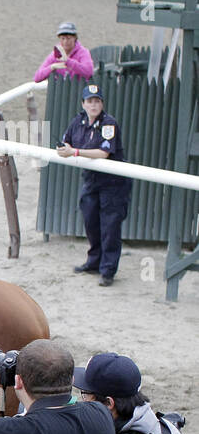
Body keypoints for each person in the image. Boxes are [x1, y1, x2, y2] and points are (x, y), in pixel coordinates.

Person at [56, 83, 128, 287]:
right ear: (83, 104)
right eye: (90, 101)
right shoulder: (77, 121)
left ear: (102, 104)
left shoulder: (109, 123)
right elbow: (66, 143)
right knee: (90, 222)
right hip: (91, 179)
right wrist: (65, 149)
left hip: (113, 182)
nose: (93, 105)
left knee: (110, 227)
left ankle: (107, 271)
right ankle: (94, 262)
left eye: (97, 101)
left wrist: (75, 152)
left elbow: (103, 153)